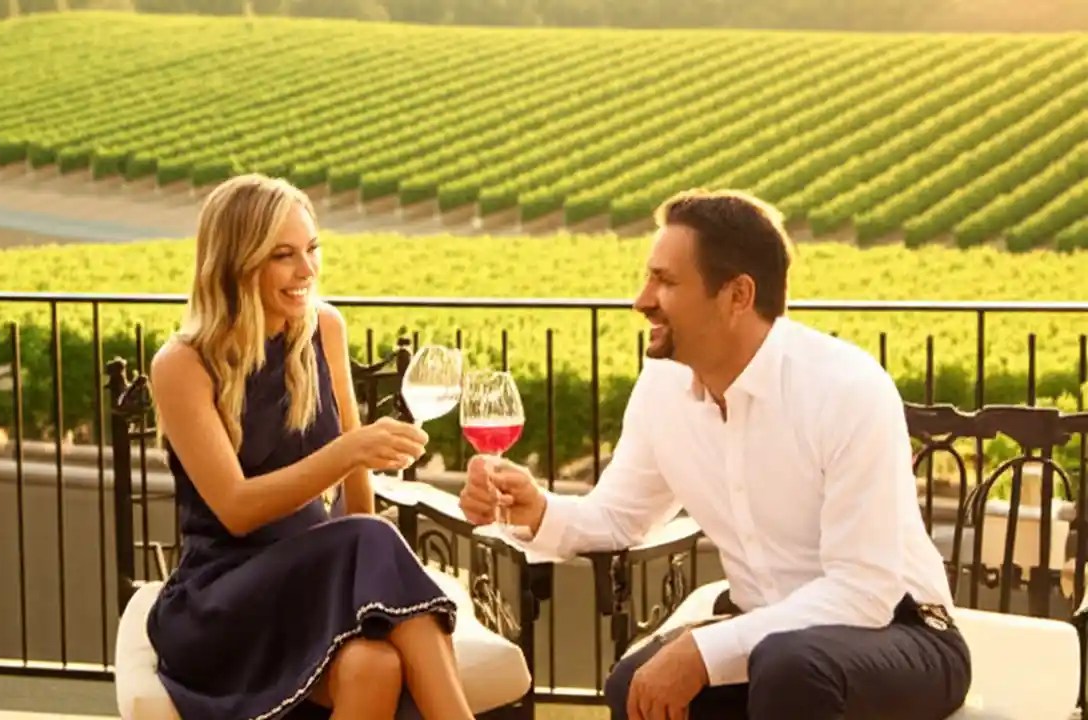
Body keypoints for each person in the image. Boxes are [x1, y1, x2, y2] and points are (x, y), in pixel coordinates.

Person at [457, 189, 971, 719]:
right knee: (633, 687)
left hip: (904, 632)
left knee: (790, 668)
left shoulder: (845, 388)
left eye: (666, 281)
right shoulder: (663, 386)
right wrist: (536, 508)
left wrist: (707, 650)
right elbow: (617, 516)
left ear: (737, 296)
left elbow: (863, 593)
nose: (642, 299)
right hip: (772, 637)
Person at [147, 174, 475, 720]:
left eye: (312, 249)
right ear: (237, 263)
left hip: (313, 582)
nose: (307, 271)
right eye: (283, 255)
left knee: (374, 664)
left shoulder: (324, 327)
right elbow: (236, 508)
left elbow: (357, 491)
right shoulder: (183, 363)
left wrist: (371, 602)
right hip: (223, 597)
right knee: (372, 535)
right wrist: (349, 452)